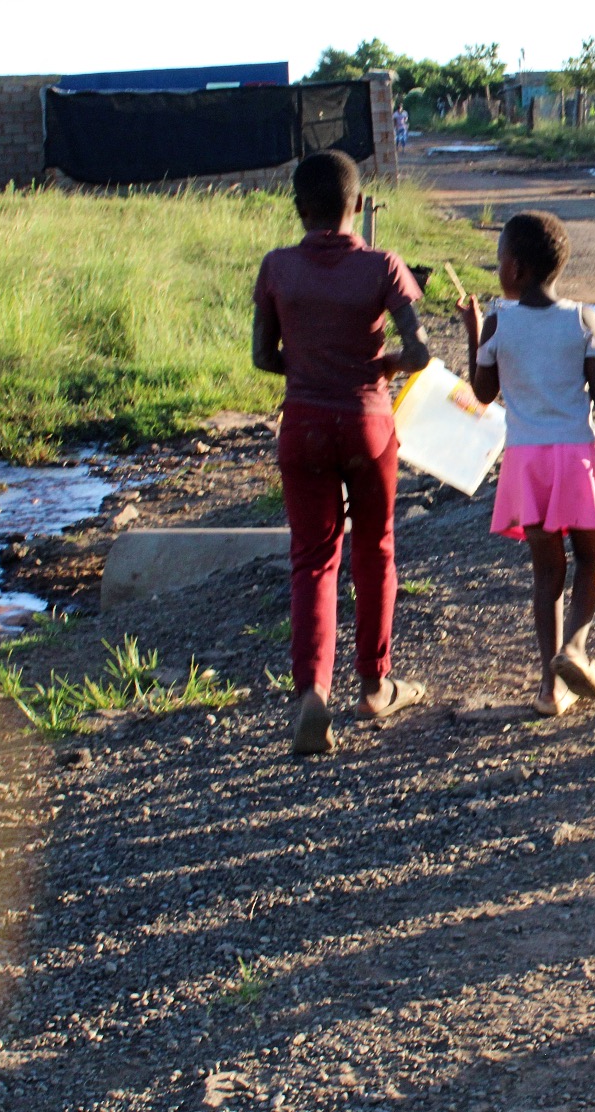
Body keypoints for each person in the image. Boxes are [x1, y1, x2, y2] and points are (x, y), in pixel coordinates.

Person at [252, 150, 431, 756]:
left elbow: (262, 357)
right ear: (358, 205)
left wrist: (305, 366)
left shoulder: (277, 268)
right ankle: (376, 685)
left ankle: (312, 695)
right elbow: (422, 349)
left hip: (303, 423)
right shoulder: (383, 265)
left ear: (300, 208)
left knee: (312, 560)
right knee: (375, 550)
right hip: (368, 423)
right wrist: (382, 364)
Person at [464, 211, 595, 718]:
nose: (498, 267)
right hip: (574, 458)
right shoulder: (582, 319)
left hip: (526, 462)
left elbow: (483, 394)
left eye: (501, 258)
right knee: (590, 561)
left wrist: (475, 333)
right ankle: (575, 647)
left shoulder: (499, 321)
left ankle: (550, 689)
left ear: (518, 269)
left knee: (546, 572)